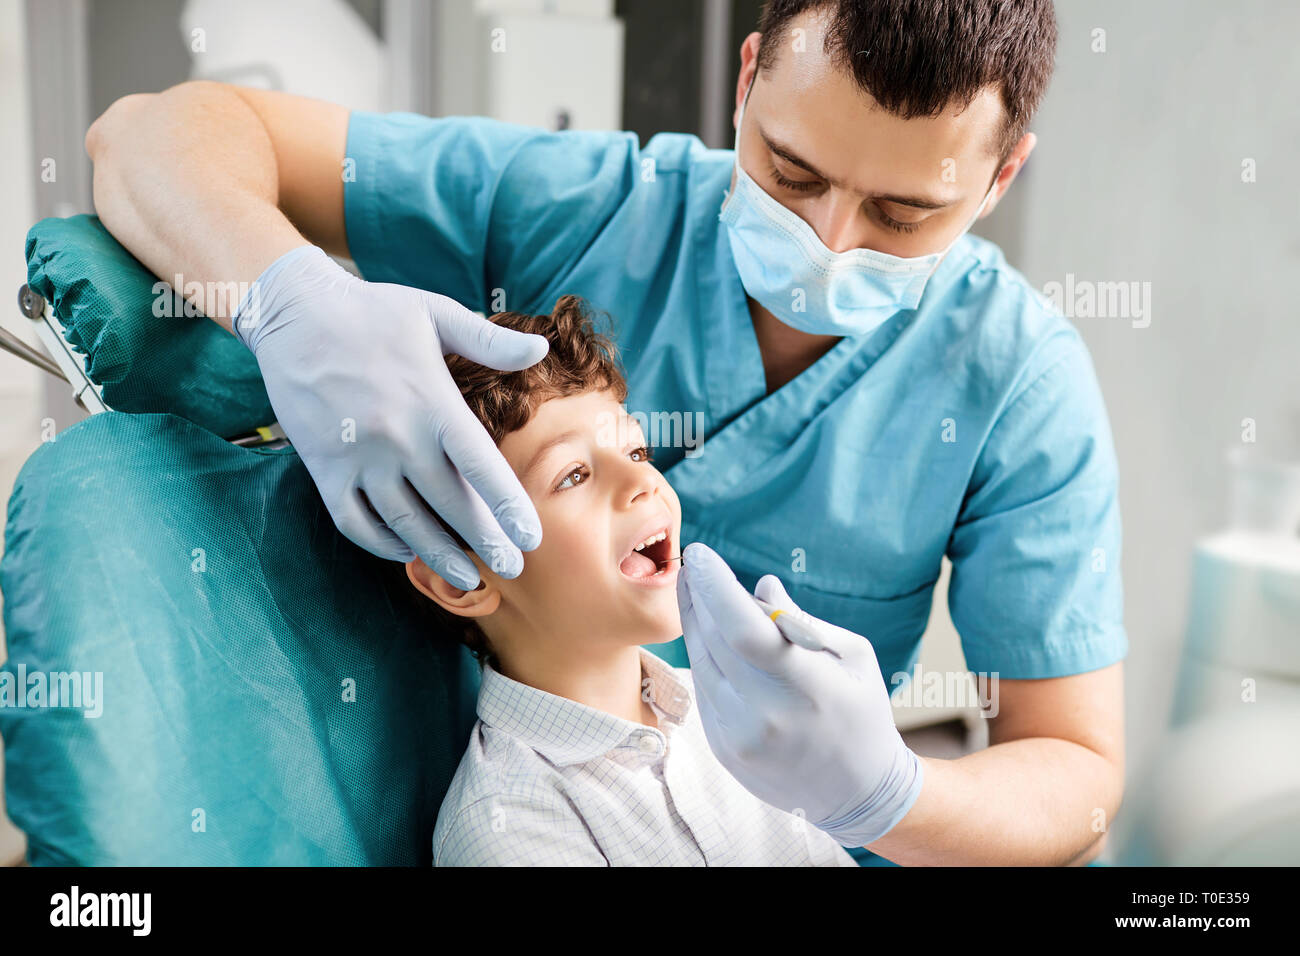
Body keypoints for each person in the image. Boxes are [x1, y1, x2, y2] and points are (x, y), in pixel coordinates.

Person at [84, 0, 1126, 865]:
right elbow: (148, 136)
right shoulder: (587, 209)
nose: (828, 242)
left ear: (999, 177)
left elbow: (1075, 775)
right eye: (790, 171)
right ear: (747, 75)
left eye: (901, 215)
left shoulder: (1017, 381)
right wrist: (289, 297)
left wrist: (883, 794)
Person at [413, 293, 857, 866]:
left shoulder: (730, 709)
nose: (642, 481)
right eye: (573, 475)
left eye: (637, 448)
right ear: (460, 579)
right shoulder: (510, 828)